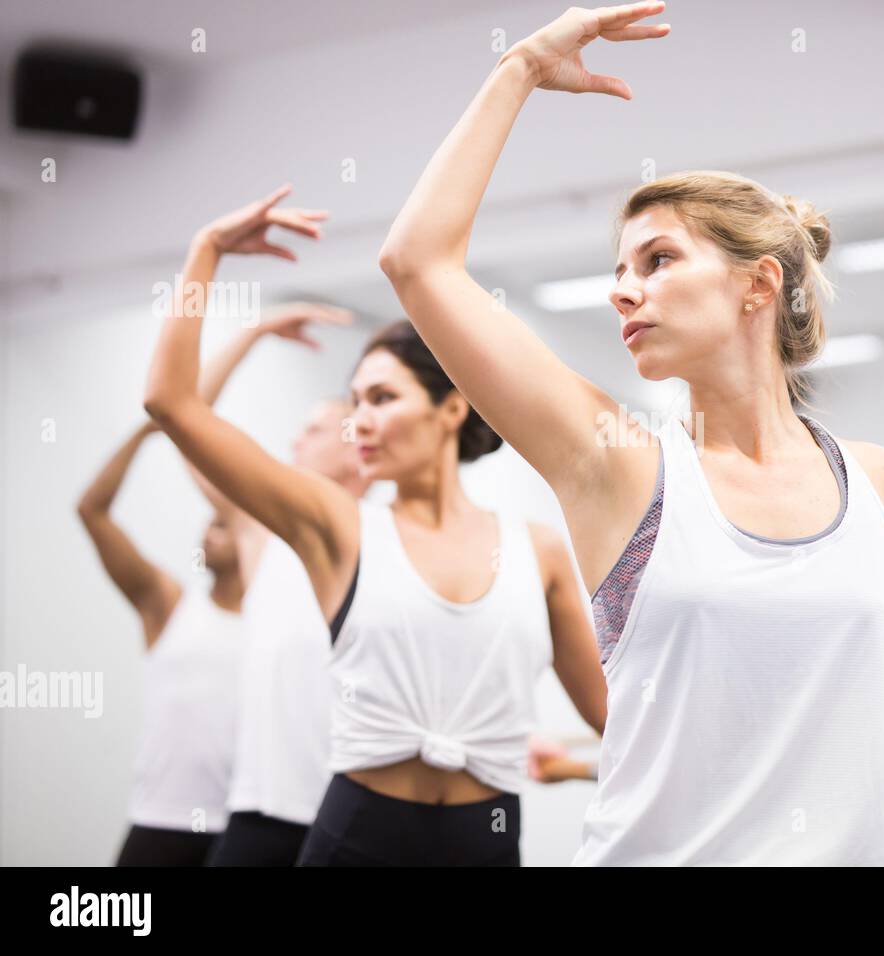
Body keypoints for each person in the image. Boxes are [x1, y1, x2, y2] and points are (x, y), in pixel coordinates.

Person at [376, 0, 884, 865]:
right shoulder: (618, 463)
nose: (623, 290)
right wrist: (518, 70)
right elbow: (417, 261)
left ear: (758, 283)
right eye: (618, 270)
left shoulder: (878, 481)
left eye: (658, 260)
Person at [144, 191, 608, 865]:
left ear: (451, 410)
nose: (357, 421)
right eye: (354, 401)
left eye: (383, 399)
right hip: (358, 834)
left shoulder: (537, 549)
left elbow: (610, 718)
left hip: (488, 840)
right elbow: (171, 403)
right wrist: (207, 250)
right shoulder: (336, 524)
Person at [78, 330, 263, 865]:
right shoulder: (170, 604)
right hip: (161, 821)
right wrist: (145, 433)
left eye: (225, 525)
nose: (212, 532)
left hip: (245, 826)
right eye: (208, 524)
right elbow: (93, 512)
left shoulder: (280, 612)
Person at [198, 305, 374, 867]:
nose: (297, 441)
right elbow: (187, 417)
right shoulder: (261, 531)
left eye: (315, 430)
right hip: (262, 811)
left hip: (354, 812)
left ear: (358, 445)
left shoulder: (391, 537)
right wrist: (251, 333)